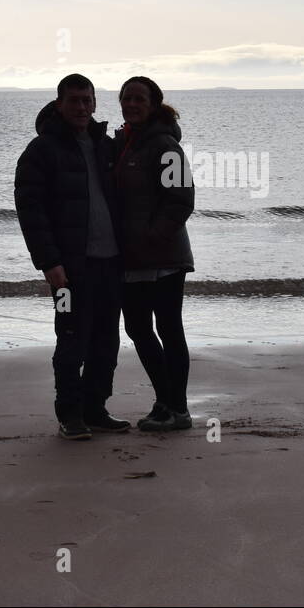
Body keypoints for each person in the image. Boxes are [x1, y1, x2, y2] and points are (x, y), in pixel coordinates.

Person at [14, 73, 130, 440]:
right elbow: (31, 212)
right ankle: (70, 414)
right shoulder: (41, 151)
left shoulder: (103, 145)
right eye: (74, 100)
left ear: (95, 104)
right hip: (69, 268)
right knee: (71, 338)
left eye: (87, 100)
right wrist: (49, 263)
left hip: (110, 263)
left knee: (106, 340)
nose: (82, 107)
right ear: (59, 104)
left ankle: (96, 409)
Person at [112, 76, 195, 431]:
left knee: (169, 328)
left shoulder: (165, 146)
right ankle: (166, 401)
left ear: (153, 103)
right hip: (131, 258)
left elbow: (182, 201)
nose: (131, 104)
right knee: (137, 328)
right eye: (126, 98)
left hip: (164, 257)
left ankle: (178, 409)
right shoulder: (125, 142)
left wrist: (151, 239)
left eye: (139, 99)